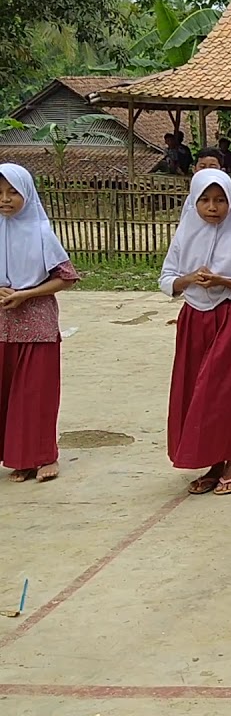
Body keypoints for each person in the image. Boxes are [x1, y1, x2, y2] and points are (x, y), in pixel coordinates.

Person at [160, 169, 231, 496]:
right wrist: (189, 278)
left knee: (224, 389)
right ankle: (213, 461)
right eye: (205, 200)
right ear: (194, 202)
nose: (212, 207)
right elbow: (167, 279)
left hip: (229, 319)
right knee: (195, 388)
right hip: (194, 319)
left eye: (220, 200)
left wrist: (223, 281)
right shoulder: (185, 234)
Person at [0, 163, 80, 484]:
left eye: (13, 192)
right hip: (3, 325)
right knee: (7, 392)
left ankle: (45, 455)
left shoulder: (41, 232)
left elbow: (67, 277)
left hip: (37, 324)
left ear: (27, 193)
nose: (5, 199)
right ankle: (20, 458)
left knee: (35, 393)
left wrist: (27, 294)